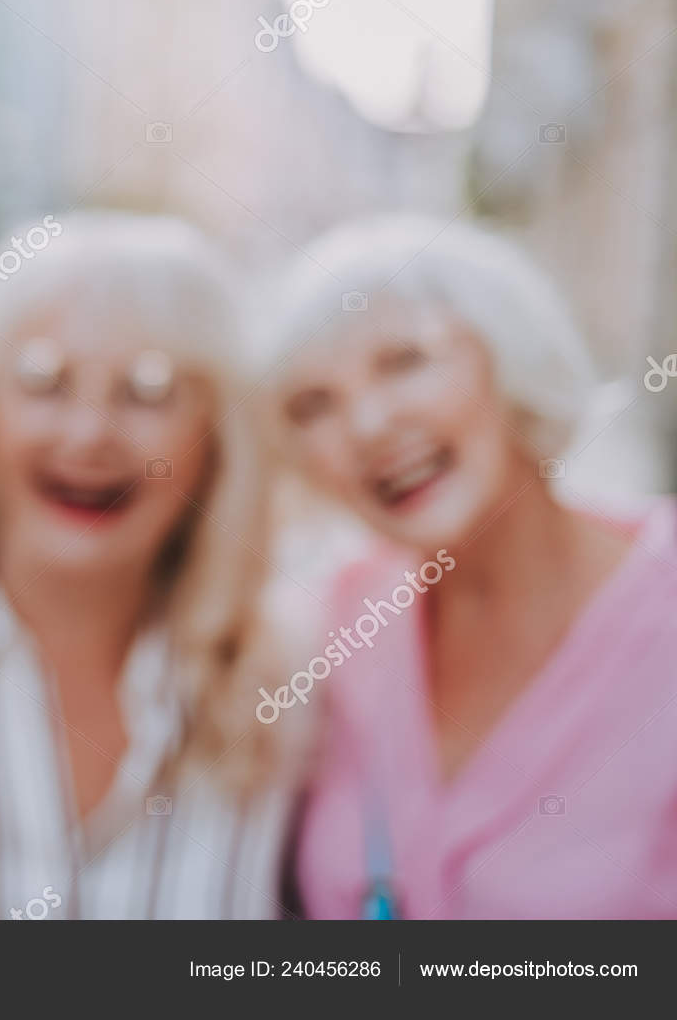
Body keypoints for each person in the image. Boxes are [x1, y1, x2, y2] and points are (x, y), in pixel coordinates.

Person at [0, 215, 298, 919]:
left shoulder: (289, 688)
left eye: (150, 391)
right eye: (43, 381)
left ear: (219, 439)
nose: (89, 434)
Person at [264, 214, 677, 919]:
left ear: (510, 360)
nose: (367, 426)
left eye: (404, 362)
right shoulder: (325, 628)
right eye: (314, 405)